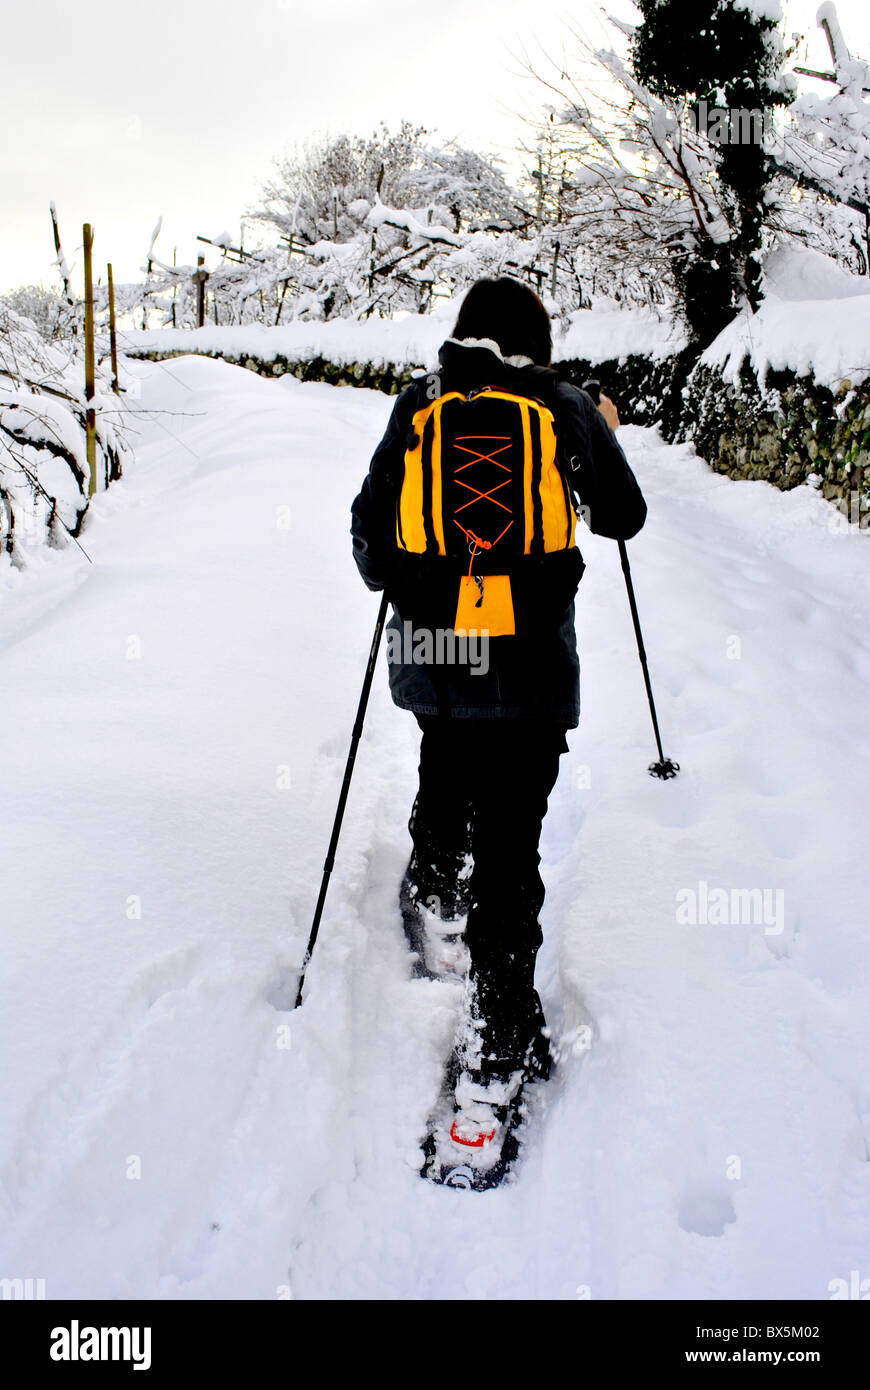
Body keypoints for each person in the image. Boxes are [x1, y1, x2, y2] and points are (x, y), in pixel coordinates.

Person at [350, 276, 647, 1120]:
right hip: (530, 671)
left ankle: (439, 888)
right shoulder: (561, 407)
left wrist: (422, 585)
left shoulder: (420, 404)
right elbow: (623, 518)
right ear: (536, 342)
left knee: (444, 766)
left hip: (434, 658)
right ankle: (498, 1031)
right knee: (513, 846)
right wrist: (599, 433)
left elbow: (371, 542)